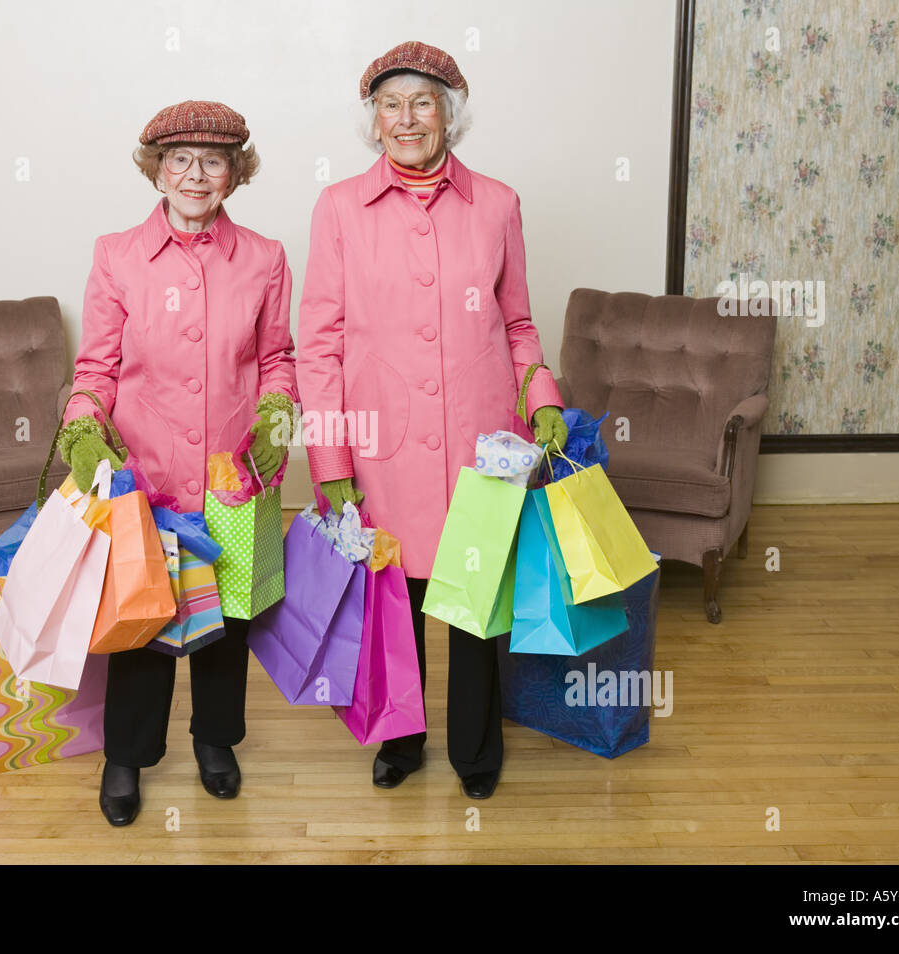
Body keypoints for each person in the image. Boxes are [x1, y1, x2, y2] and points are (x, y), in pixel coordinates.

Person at [296, 41, 568, 800]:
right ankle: (401, 735)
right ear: (373, 119)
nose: (406, 118)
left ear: (451, 113)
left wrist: (543, 401)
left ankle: (477, 750)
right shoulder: (339, 208)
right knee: (396, 602)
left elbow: (519, 326)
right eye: (391, 104)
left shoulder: (500, 204)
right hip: (380, 444)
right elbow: (316, 345)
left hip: (481, 445)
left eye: (423, 101)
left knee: (476, 600)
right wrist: (331, 462)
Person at [58, 101, 297, 826]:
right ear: (156, 169)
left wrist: (276, 418)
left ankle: (217, 742)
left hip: (233, 475)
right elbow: (95, 368)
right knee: (141, 619)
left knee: (227, 619)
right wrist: (81, 430)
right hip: (147, 474)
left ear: (236, 172)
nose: (196, 175)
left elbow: (280, 360)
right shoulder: (116, 255)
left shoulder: (265, 257)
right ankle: (126, 755)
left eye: (214, 161)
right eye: (181, 160)